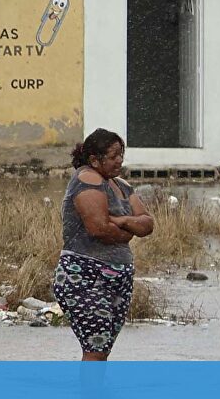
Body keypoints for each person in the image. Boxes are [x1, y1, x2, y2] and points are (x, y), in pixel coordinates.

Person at [53, 128, 154, 361]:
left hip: (117, 278)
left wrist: (123, 221)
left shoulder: (121, 185)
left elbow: (147, 224)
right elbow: (99, 229)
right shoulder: (87, 178)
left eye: (121, 154)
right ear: (94, 160)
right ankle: (89, 387)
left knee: (102, 350)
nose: (119, 160)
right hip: (85, 276)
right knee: (95, 350)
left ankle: (93, 386)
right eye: (113, 156)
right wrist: (129, 231)